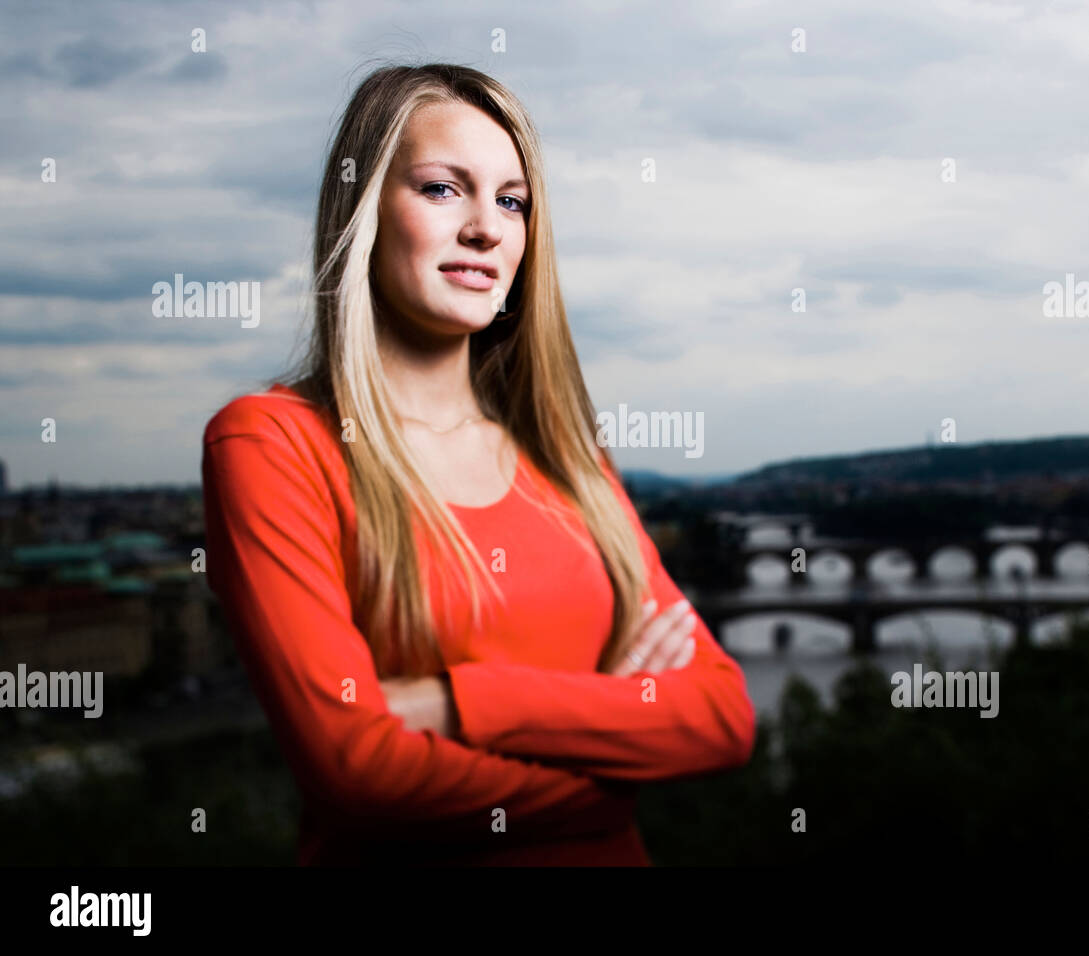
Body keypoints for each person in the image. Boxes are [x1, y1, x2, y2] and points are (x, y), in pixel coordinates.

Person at [200, 63, 756, 865]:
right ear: (362, 211)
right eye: (440, 189)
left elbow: (717, 717)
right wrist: (610, 769)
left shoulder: (569, 460)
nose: (487, 229)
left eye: (511, 200)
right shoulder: (271, 445)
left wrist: (455, 703)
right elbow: (356, 771)